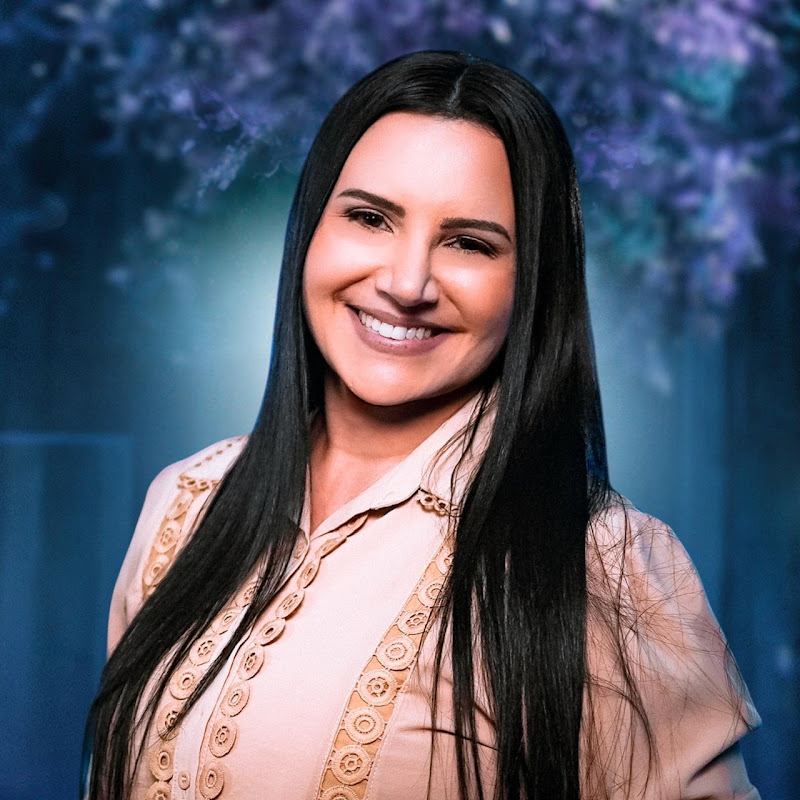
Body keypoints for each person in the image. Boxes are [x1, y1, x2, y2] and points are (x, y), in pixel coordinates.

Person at [83, 50, 761, 800]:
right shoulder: (186, 503)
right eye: (370, 218)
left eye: (469, 243)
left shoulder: (602, 562)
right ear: (311, 230)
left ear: (532, 282)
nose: (407, 284)